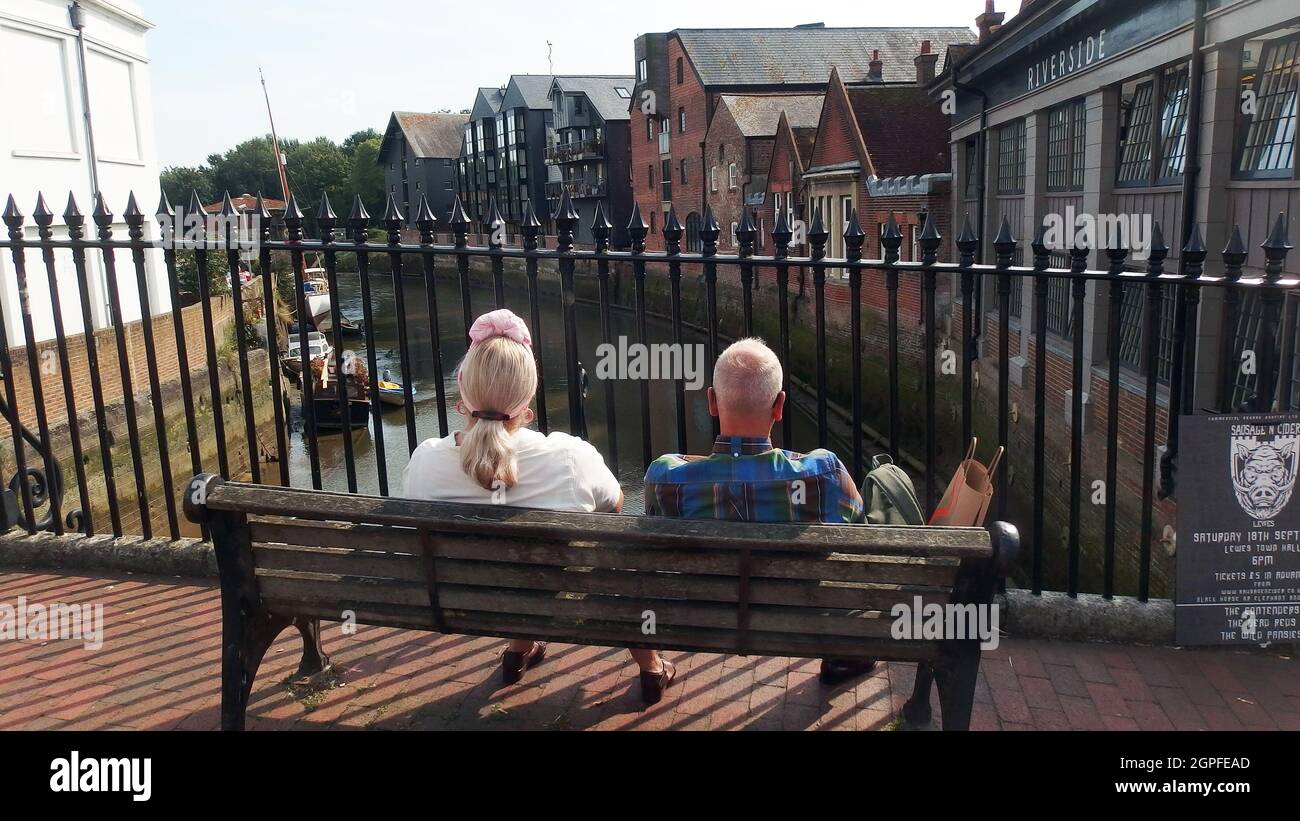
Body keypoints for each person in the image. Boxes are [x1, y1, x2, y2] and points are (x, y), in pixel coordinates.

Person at [403, 308, 676, 703]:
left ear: (462, 392)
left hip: (460, 603)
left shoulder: (426, 460)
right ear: (528, 396)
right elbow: (615, 505)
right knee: (615, 564)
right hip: (555, 594)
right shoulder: (568, 457)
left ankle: (519, 650)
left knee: (518, 573)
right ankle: (650, 667)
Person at [643, 337, 875, 685]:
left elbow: (654, 543)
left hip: (701, 616)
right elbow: (861, 533)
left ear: (712, 402)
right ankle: (842, 653)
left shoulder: (664, 477)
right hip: (807, 614)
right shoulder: (825, 472)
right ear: (779, 406)